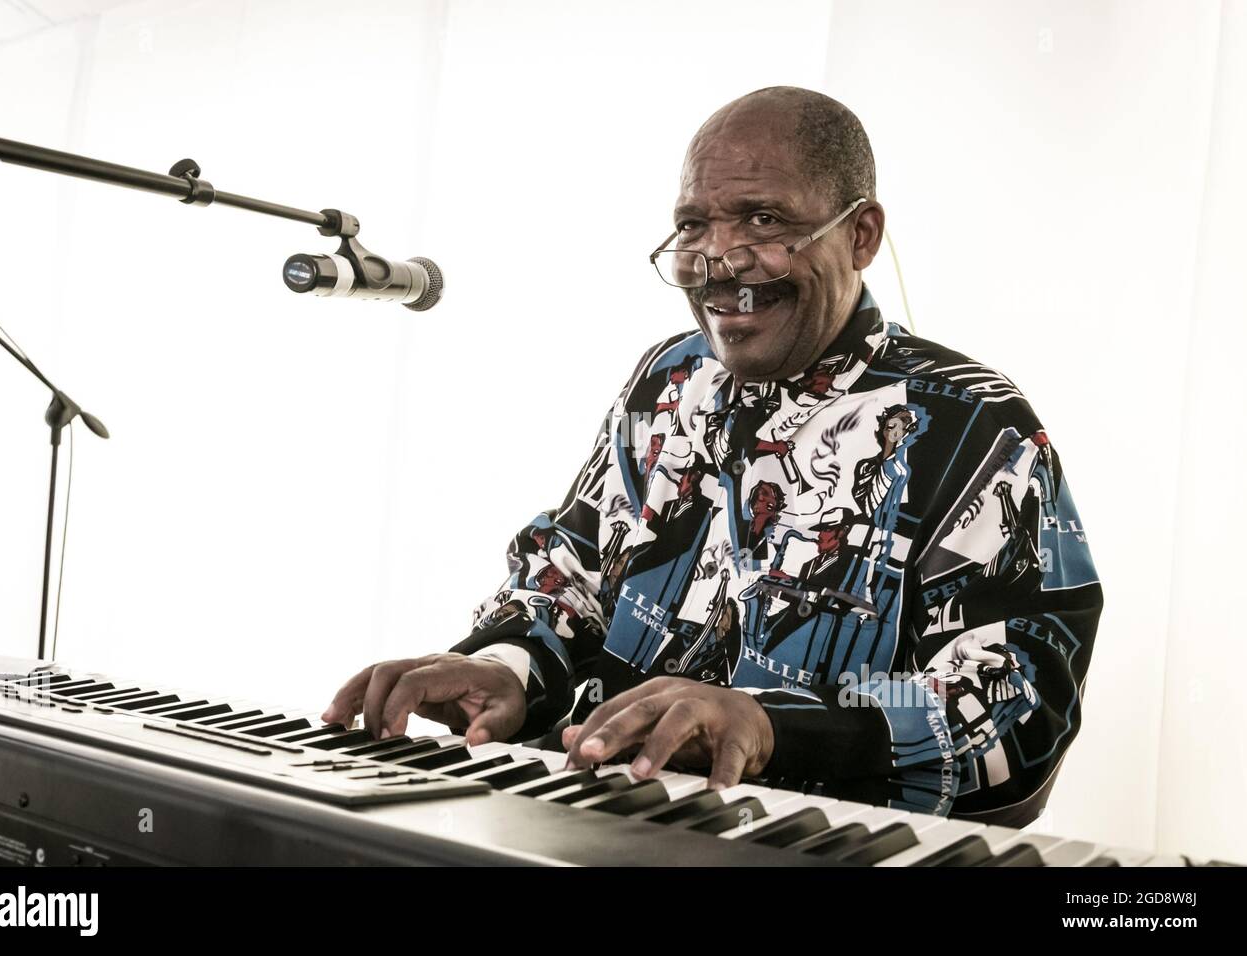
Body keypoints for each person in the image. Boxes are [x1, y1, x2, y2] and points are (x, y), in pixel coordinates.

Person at [323, 86, 1103, 827]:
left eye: (762, 219)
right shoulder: (668, 379)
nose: (718, 257)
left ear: (860, 234)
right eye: (694, 224)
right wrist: (506, 668)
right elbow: (570, 580)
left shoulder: (973, 422)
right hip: (601, 826)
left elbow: (1021, 712)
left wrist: (771, 727)